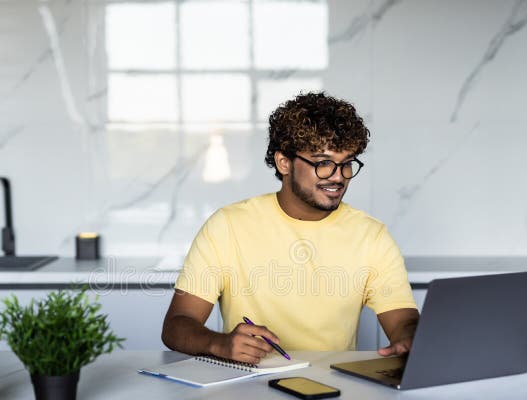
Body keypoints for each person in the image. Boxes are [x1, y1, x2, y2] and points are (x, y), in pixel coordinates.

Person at [161, 92, 419, 363]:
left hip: (334, 385)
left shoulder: (371, 236)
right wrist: (219, 344)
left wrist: (410, 338)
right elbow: (177, 324)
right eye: (324, 163)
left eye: (346, 164)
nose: (338, 177)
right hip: (248, 383)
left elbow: (403, 320)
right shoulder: (227, 226)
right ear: (284, 162)